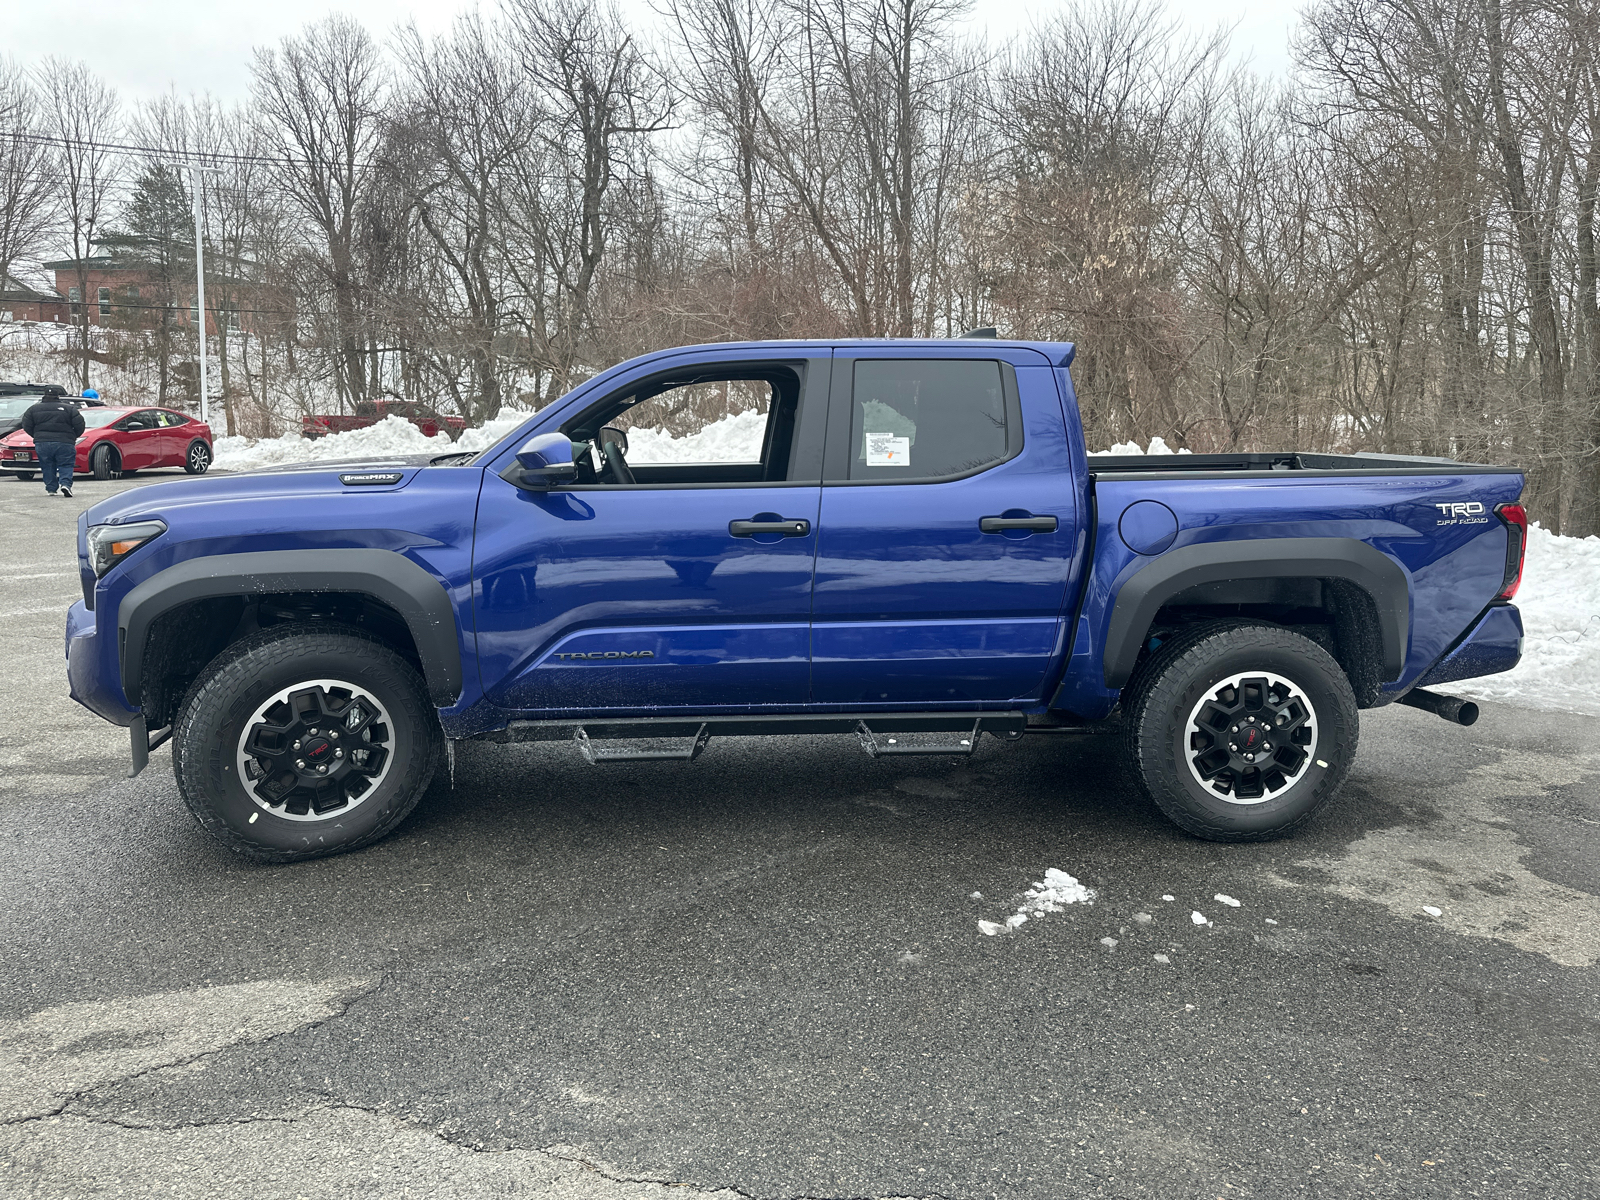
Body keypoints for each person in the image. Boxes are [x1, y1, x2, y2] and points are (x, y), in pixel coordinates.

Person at [22, 390, 86, 498]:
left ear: (45, 395)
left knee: (47, 465)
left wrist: (37, 436)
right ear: (57, 396)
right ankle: (65, 484)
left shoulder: (33, 409)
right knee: (66, 464)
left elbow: (26, 425)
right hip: (65, 442)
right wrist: (72, 436)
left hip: (42, 442)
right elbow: (80, 425)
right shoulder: (69, 409)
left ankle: (51, 488)